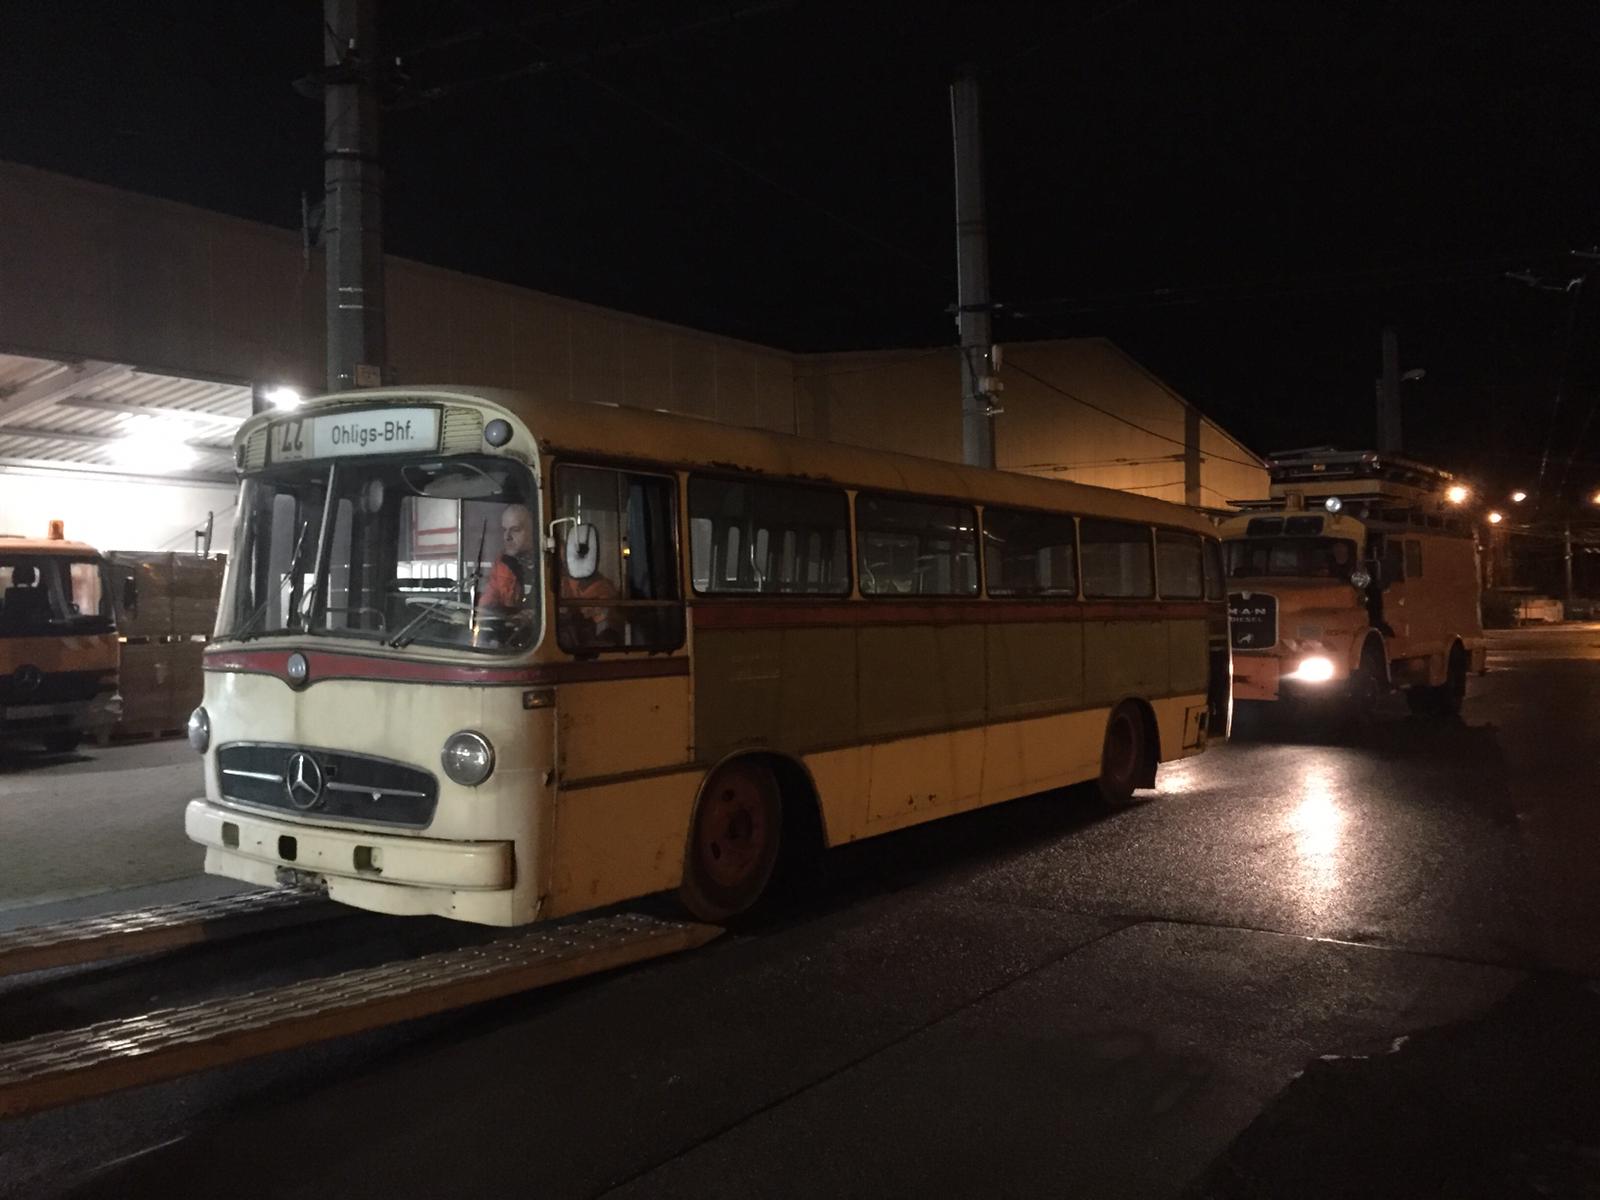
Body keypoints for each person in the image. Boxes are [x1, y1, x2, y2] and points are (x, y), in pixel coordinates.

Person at [476, 504, 537, 611]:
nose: (507, 537)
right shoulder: (502, 564)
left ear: (534, 530)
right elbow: (487, 603)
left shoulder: (562, 562)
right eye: (504, 530)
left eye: (515, 530)